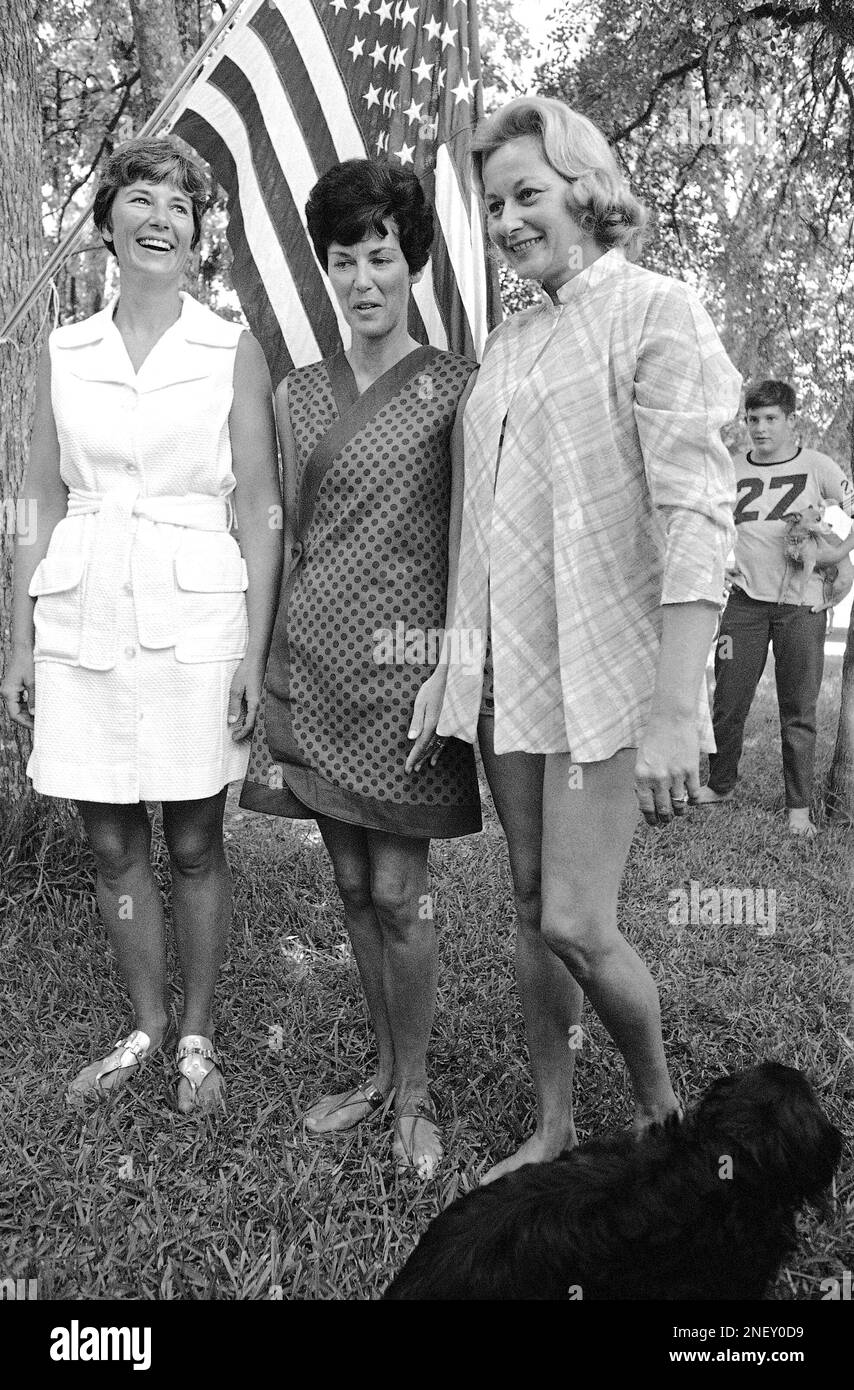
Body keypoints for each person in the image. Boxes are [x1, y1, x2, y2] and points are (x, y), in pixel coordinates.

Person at [429, 96, 742, 1182]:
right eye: (495, 203)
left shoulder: (659, 311)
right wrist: (452, 655)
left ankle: (659, 1111)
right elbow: (482, 510)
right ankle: (556, 1120)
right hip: (509, 668)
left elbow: (698, 514)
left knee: (574, 913)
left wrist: (672, 704)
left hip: (605, 672)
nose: (509, 218)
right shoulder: (504, 342)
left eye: (527, 194)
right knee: (525, 903)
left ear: (584, 187)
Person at [0, 137, 282, 1112]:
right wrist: (19, 638)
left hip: (196, 617)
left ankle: (197, 1035)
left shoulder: (228, 349)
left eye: (180, 206)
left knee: (198, 839)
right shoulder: (64, 352)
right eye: (141, 199)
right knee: (113, 842)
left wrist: (254, 642)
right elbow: (34, 497)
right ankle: (146, 1025)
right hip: (82, 614)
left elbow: (260, 507)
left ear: (199, 235)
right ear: (108, 220)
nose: (160, 218)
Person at [240, 160, 481, 1178]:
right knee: (346, 878)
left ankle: (416, 1090)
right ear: (327, 271)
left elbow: (474, 541)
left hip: (408, 683)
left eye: (379, 253)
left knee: (399, 890)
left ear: (409, 258)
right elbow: (276, 530)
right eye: (343, 260)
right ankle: (382, 1072)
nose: (362, 276)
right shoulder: (295, 397)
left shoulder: (458, 387)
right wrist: (254, 660)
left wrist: (456, 664)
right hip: (312, 669)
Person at [695, 379, 854, 835]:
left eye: (770, 419)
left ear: (789, 420)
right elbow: (708, 519)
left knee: (798, 708)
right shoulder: (730, 465)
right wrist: (713, 564)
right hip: (743, 603)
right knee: (727, 700)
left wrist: (834, 555)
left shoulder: (817, 466)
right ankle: (721, 784)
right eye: (752, 419)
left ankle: (799, 808)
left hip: (801, 606)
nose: (759, 429)